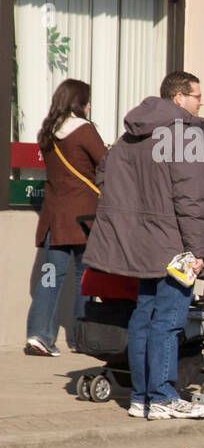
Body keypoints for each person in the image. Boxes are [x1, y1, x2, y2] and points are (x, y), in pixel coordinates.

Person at [83, 71, 204, 419]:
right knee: (168, 320)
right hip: (174, 243)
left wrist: (136, 217)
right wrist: (198, 249)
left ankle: (142, 396)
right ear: (179, 98)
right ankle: (161, 395)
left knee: (144, 316)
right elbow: (191, 199)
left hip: (143, 243)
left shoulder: (132, 132)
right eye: (197, 96)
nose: (201, 102)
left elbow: (105, 175)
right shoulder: (182, 134)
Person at [25, 78, 106, 357]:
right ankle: (81, 338)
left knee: (49, 277)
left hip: (54, 218)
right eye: (87, 100)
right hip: (85, 217)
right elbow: (104, 162)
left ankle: (39, 335)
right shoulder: (84, 130)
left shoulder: (46, 132)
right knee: (85, 277)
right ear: (79, 102)